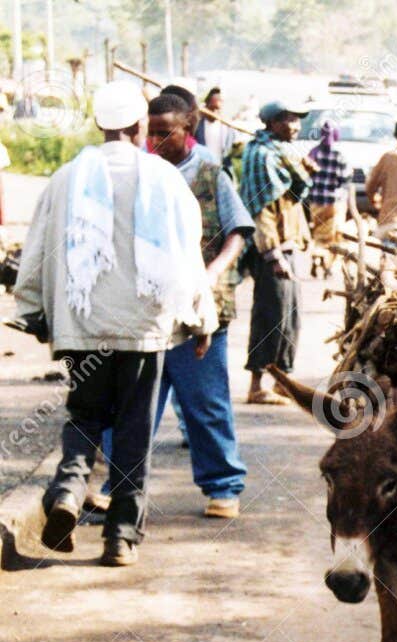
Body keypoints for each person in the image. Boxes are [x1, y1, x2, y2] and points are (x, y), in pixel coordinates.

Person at [13, 82, 216, 566]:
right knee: (132, 429)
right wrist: (201, 317)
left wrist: (32, 311)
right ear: (138, 126)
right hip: (144, 330)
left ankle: (66, 491)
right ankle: (121, 537)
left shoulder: (66, 177)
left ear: (100, 125)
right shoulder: (165, 180)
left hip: (83, 326)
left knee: (84, 416)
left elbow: (37, 250)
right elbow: (186, 255)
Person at [144, 91, 250, 519]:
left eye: (163, 132)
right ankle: (119, 485)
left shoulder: (210, 173)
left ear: (188, 128)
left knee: (205, 402)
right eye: (149, 132)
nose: (154, 141)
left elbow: (237, 231)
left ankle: (223, 488)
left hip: (200, 312)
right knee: (137, 405)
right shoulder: (143, 171)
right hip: (148, 310)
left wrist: (211, 275)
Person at [240, 98, 312, 406]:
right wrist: (272, 254)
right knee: (270, 317)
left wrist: (302, 168)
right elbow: (262, 212)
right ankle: (257, 383)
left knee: (290, 318)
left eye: (297, 120)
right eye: (287, 120)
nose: (294, 126)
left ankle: (284, 380)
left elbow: (295, 198)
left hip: (290, 244)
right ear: (271, 123)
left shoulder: (285, 153)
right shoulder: (260, 155)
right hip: (273, 250)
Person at [306, 119, 350, 261]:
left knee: (319, 232)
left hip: (316, 201)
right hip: (334, 202)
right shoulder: (340, 154)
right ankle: (329, 262)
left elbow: (306, 175)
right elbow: (345, 178)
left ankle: (317, 257)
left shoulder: (313, 152)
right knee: (333, 234)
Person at [195, 87, 238, 162]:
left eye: (218, 109)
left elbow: (231, 149)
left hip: (221, 165)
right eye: (212, 109)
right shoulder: (197, 126)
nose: (215, 113)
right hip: (203, 165)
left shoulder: (227, 127)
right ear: (206, 106)